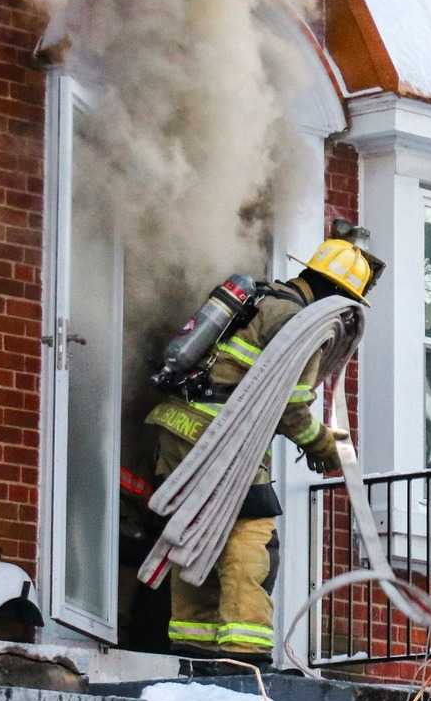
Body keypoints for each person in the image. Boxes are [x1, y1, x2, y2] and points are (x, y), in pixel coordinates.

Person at [142, 231, 380, 664]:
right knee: (249, 539)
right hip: (222, 443)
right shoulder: (306, 325)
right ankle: (244, 656)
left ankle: (193, 645)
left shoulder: (260, 301)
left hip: (175, 434)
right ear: (340, 297)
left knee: (195, 537)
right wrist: (328, 447)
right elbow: (292, 411)